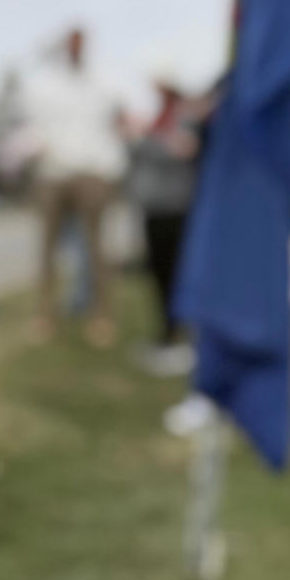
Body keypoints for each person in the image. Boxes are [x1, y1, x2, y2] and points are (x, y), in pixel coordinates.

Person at [21, 27, 125, 346]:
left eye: (81, 42)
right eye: (71, 42)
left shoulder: (102, 82)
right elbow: (33, 122)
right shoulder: (44, 83)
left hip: (91, 172)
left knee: (96, 250)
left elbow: (115, 123)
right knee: (47, 248)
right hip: (52, 172)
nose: (76, 48)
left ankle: (101, 315)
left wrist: (108, 168)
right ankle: (45, 313)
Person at [124, 77, 218, 376]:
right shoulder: (160, 117)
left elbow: (184, 150)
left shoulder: (187, 116)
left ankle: (186, 340)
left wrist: (144, 139)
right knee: (161, 274)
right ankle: (168, 336)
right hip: (155, 210)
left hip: (178, 209)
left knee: (180, 274)